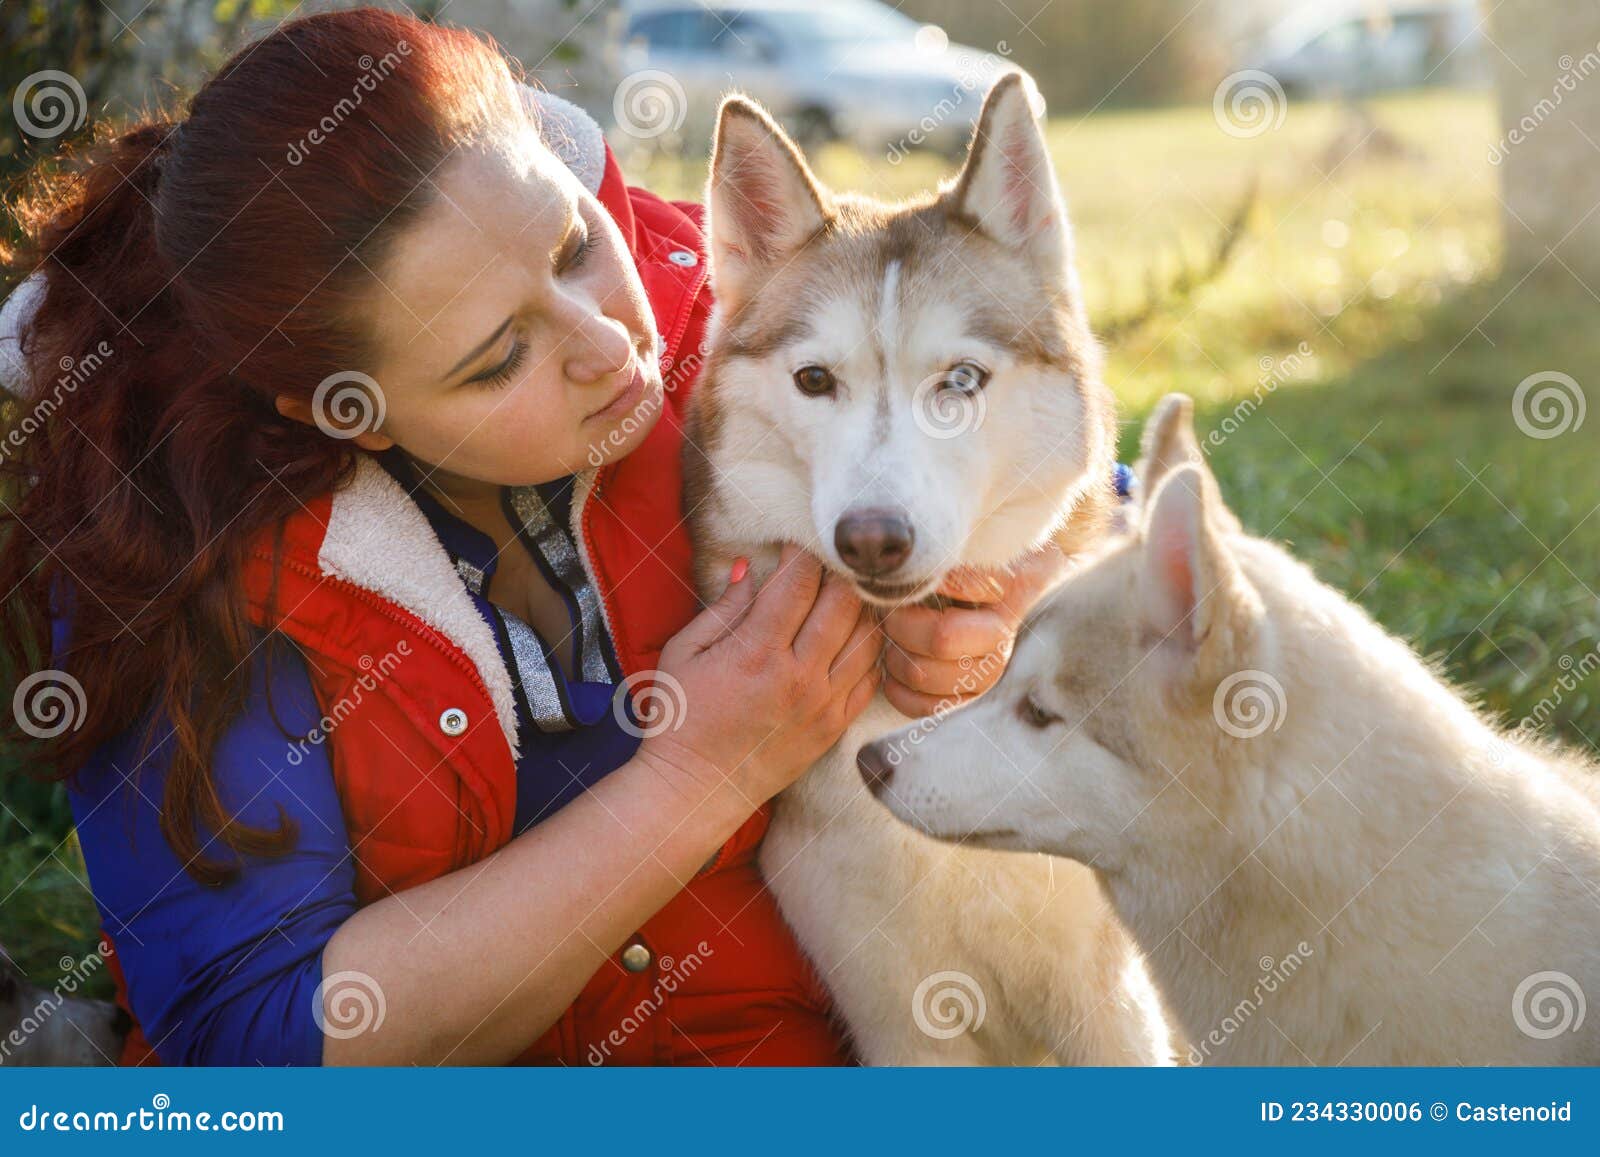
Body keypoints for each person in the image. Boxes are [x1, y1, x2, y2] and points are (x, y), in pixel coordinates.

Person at [0, 7, 1064, 1066]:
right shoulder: (171, 544)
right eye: (499, 356)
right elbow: (257, 1051)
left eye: (570, 246)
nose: (611, 341)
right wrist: (698, 780)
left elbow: (1047, 442)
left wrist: (1015, 591)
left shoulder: (732, 305)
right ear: (342, 408)